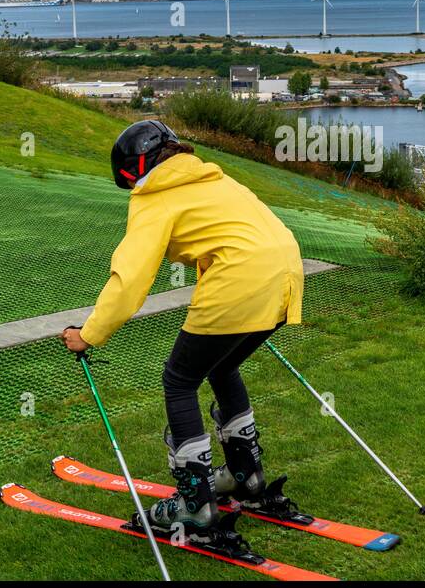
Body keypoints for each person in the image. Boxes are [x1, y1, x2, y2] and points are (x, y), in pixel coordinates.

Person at [61, 120, 304, 546]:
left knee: (179, 380)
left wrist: (90, 334)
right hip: (287, 276)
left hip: (241, 283)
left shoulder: (155, 197)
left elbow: (130, 280)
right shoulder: (215, 177)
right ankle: (245, 477)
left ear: (133, 171)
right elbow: (234, 235)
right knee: (223, 367)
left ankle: (196, 505)